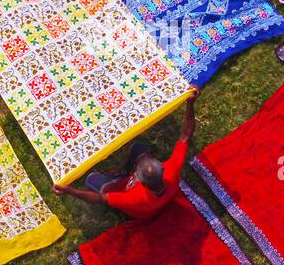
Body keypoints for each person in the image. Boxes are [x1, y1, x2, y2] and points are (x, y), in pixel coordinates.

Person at [53, 91, 197, 220]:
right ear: (162, 168)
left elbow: (99, 199)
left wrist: (69, 190)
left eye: (138, 172)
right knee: (138, 147)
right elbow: (185, 135)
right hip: (143, 188)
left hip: (129, 196)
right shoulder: (172, 171)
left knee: (92, 180)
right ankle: (124, 172)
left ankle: (120, 177)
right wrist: (190, 103)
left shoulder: (133, 198)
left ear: (141, 181)